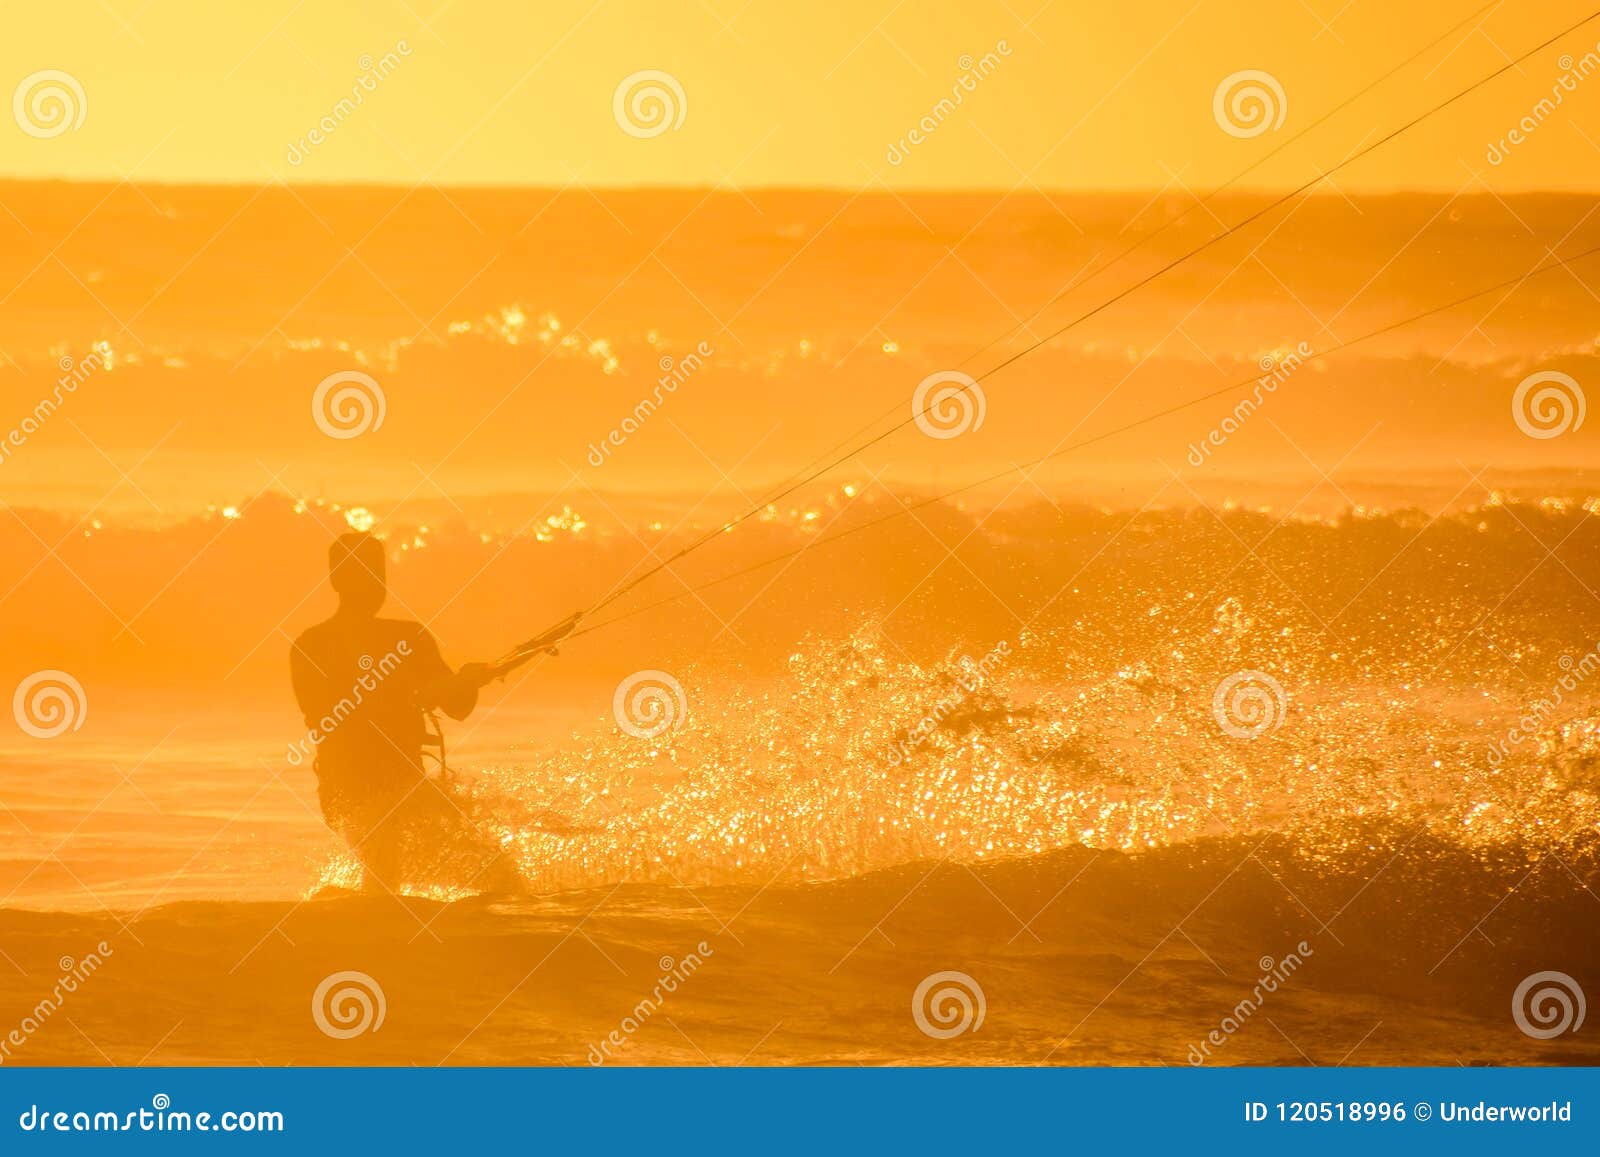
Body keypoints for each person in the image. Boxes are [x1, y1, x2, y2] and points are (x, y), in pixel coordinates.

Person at [289, 532, 495, 891]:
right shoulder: (312, 646)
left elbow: (458, 707)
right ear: (336, 579)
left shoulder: (409, 638)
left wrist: (468, 681)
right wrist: (401, 695)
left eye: (378, 575)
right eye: (364, 574)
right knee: (385, 879)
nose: (374, 585)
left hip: (401, 786)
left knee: (493, 873)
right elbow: (324, 718)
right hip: (350, 790)